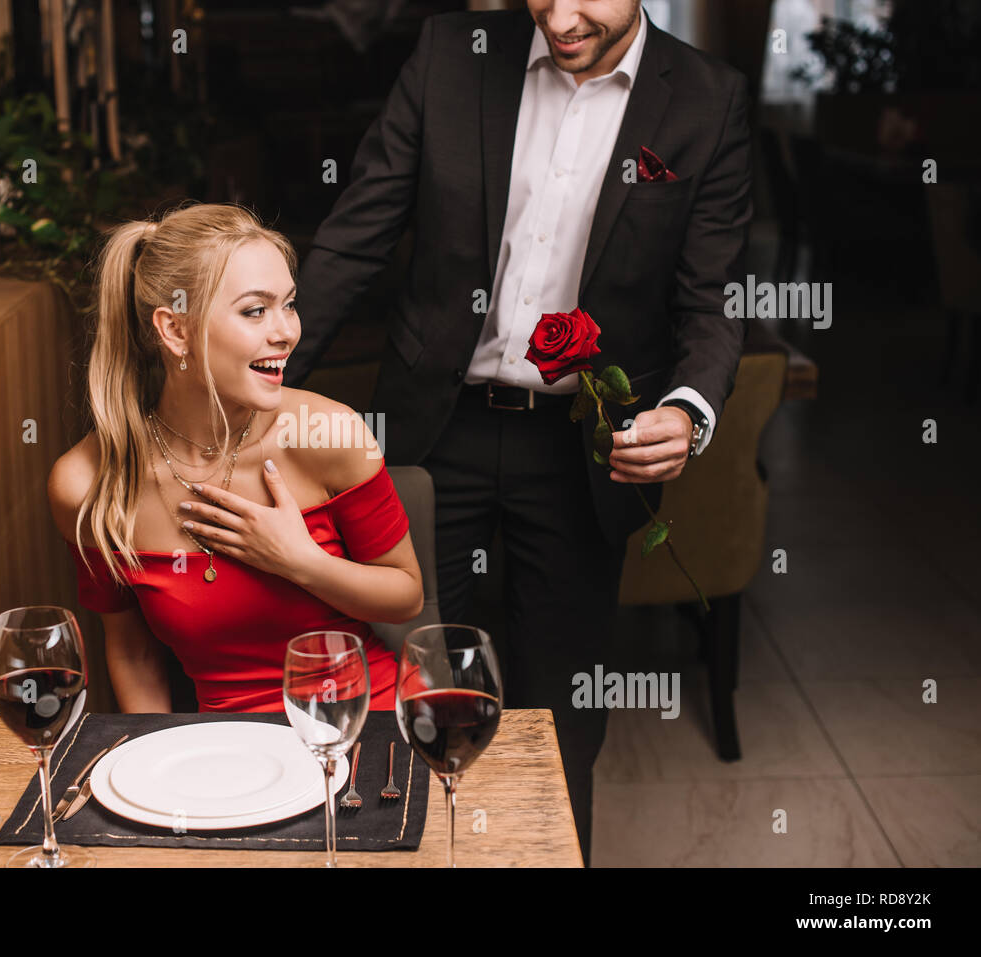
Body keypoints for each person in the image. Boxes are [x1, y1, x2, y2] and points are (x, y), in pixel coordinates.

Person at [283, 0, 752, 864]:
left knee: (558, 716)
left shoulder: (706, 101)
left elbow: (711, 298)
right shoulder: (450, 53)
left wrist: (687, 409)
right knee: (403, 690)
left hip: (579, 451)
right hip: (433, 430)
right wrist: (259, 386)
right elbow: (355, 236)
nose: (560, 16)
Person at [48, 202, 424, 714]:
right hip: (228, 756)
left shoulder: (331, 434)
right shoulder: (86, 484)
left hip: (371, 720)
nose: (286, 332)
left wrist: (300, 562)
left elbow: (406, 596)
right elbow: (132, 651)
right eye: (255, 310)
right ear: (175, 330)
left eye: (289, 305)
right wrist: (157, 760)